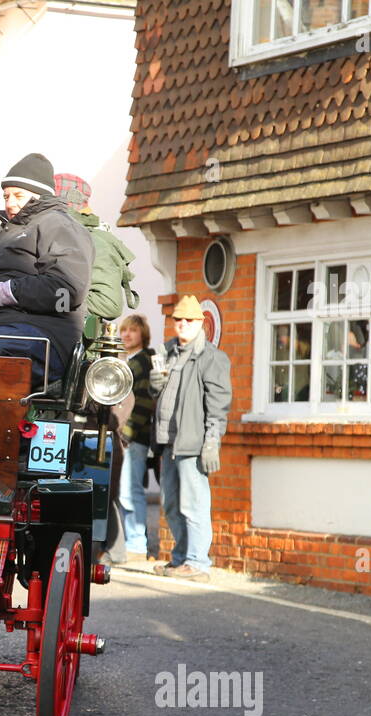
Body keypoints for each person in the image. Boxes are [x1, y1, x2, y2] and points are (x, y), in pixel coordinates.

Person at [0, 153, 94, 390]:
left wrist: (7, 293)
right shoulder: (5, 231)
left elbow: (68, 291)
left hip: (42, 334)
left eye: (18, 196)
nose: (9, 203)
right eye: (6, 196)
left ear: (40, 196)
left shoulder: (59, 225)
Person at [149, 295, 232, 582]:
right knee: (171, 504)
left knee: (193, 504)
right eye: (178, 319)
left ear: (201, 323)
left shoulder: (212, 358)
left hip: (192, 442)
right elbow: (158, 396)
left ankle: (198, 563)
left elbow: (218, 405)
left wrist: (212, 441)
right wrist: (154, 385)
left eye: (189, 320)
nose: (182, 324)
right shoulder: (167, 352)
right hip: (167, 441)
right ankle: (181, 558)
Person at [53, 172, 137, 342]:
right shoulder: (62, 235)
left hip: (74, 351)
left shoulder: (96, 241)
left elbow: (108, 304)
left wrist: (53, 300)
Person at [111, 313, 157, 563]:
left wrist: (126, 436)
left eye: (133, 331)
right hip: (122, 437)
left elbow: (143, 404)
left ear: (142, 335)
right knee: (122, 492)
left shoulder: (144, 362)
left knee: (130, 491)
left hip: (134, 438)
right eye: (124, 330)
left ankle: (138, 545)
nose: (127, 335)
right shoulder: (126, 361)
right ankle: (130, 543)